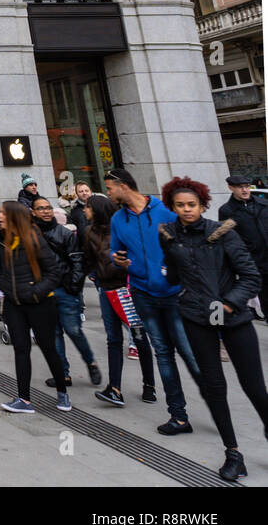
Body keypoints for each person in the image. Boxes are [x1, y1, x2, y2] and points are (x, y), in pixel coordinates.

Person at [159, 176, 268, 481]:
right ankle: (233, 453)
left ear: (202, 205)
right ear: (173, 207)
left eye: (191, 205)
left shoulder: (223, 233)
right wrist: (168, 274)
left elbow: (250, 276)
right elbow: (173, 275)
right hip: (196, 318)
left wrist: (229, 304)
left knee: (254, 387)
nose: (186, 210)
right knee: (214, 389)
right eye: (180, 205)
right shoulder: (168, 236)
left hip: (232, 317)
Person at [106, 167, 201, 435]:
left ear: (123, 185)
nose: (109, 192)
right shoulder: (118, 220)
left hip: (175, 295)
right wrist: (118, 260)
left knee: (190, 353)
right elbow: (115, 251)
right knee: (162, 354)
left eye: (110, 188)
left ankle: (216, 403)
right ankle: (179, 415)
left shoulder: (165, 211)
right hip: (142, 293)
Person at [0, 201, 71, 413]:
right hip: (13, 303)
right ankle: (24, 399)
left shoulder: (34, 238)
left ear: (14, 217)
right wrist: (5, 285)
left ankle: (62, 392)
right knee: (21, 348)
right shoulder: (1, 239)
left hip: (40, 304)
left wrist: (36, 291)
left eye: (2, 213)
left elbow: (54, 272)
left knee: (48, 348)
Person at [83, 194, 156, 407]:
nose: (85, 211)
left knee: (139, 336)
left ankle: (149, 386)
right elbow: (89, 260)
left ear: (96, 210)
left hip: (128, 290)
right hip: (106, 291)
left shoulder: (123, 229)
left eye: (88, 207)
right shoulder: (88, 232)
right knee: (113, 339)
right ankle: (114, 388)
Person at [31, 196, 101, 389]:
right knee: (54, 334)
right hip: (45, 292)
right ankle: (63, 374)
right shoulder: (30, 235)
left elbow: (78, 261)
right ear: (33, 212)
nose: (45, 211)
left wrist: (74, 285)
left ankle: (91, 362)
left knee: (73, 330)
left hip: (65, 290)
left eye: (48, 208)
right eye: (41, 208)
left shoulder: (64, 233)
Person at [219, 174, 268, 316]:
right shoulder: (226, 211)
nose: (245, 190)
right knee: (265, 298)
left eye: (247, 186)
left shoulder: (263, 204)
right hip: (254, 262)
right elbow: (227, 239)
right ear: (231, 188)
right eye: (240, 187)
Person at [68, 181, 93, 245]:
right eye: (81, 191)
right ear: (77, 194)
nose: (84, 193)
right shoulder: (74, 211)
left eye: (86, 191)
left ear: (91, 191)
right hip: (84, 245)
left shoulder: (100, 205)